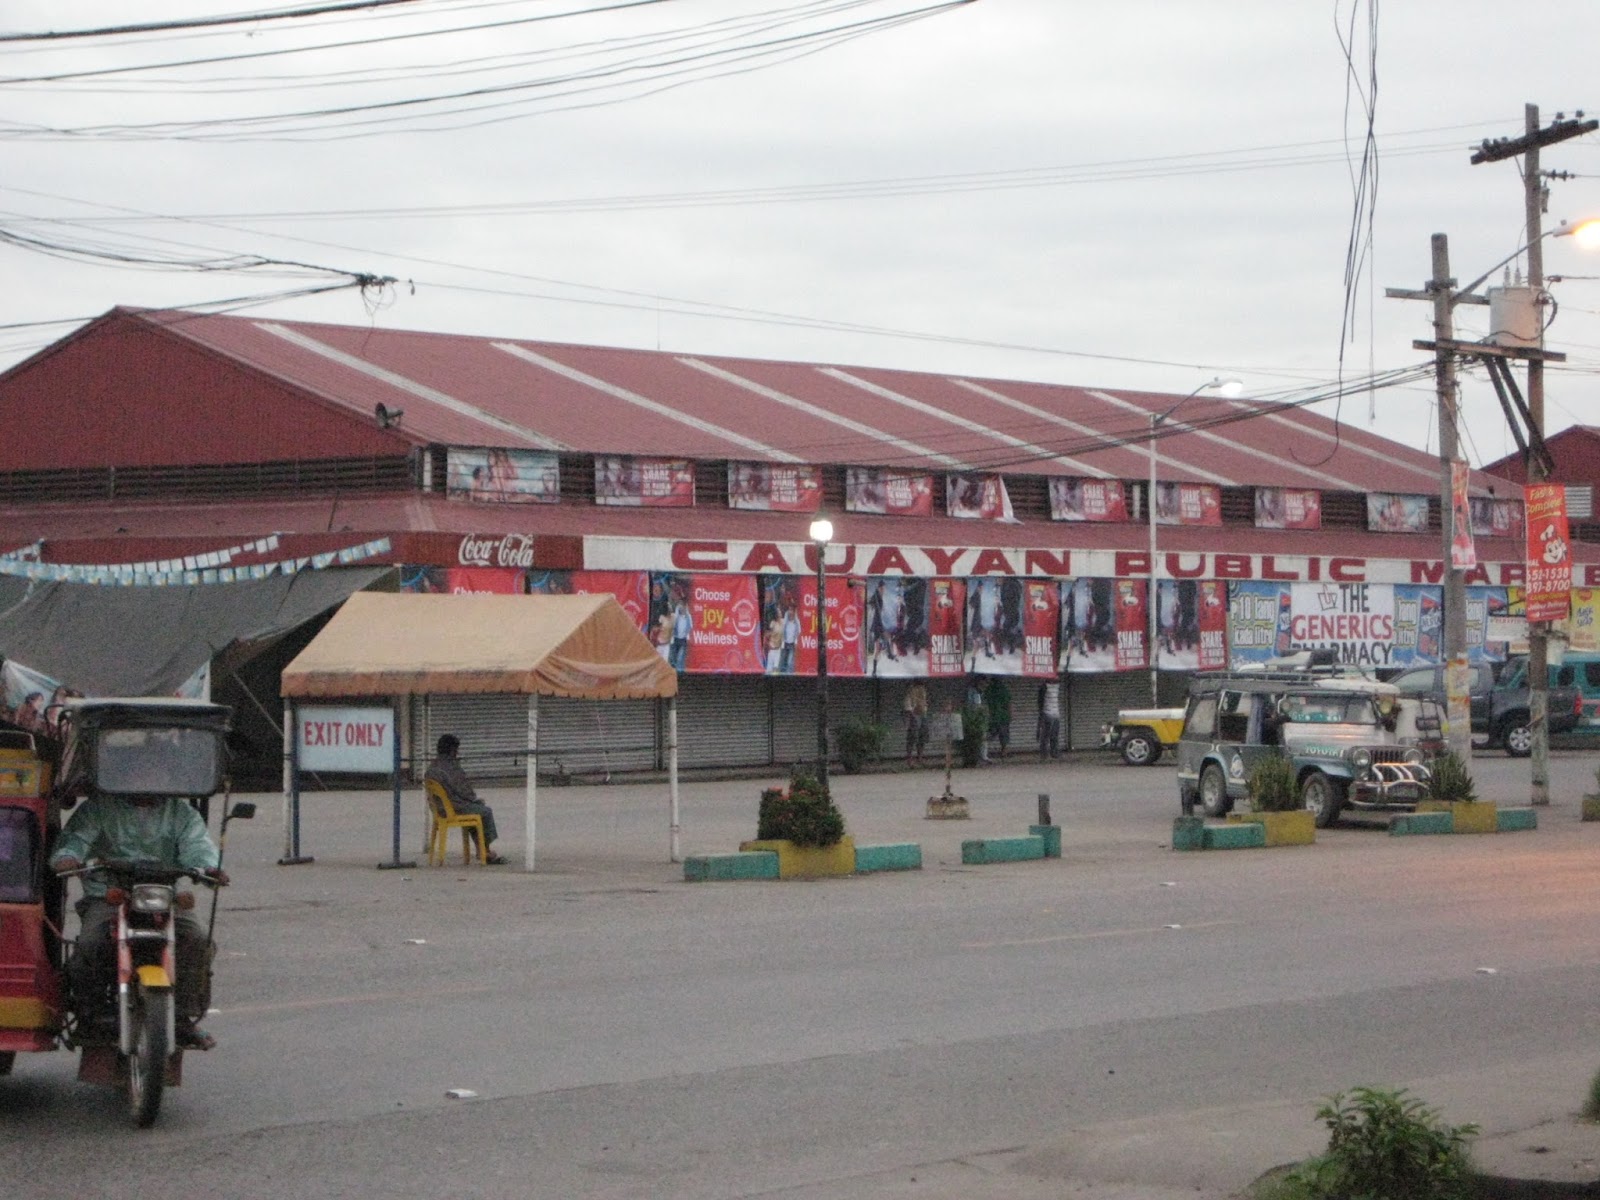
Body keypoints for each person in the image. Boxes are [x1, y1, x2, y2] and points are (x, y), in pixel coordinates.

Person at [50, 792, 227, 1049]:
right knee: (90, 942)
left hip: (163, 894)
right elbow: (75, 839)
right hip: (109, 894)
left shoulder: (181, 813)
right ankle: (91, 1015)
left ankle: (182, 1017)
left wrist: (209, 868)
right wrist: (68, 858)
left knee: (197, 939)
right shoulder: (98, 809)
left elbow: (197, 846)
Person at [424, 734, 506, 865]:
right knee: (484, 811)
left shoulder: (432, 767)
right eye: (456, 749)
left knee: (475, 811)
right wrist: (476, 800)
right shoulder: (451, 767)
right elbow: (464, 791)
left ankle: (482, 849)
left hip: (440, 810)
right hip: (454, 808)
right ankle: (484, 850)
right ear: (452, 750)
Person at [985, 676, 1012, 759]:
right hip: (1003, 716)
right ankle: (1004, 752)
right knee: (1004, 735)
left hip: (992, 716)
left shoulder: (989, 689)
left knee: (990, 734)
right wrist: (1010, 714)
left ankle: (983, 750)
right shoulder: (1004, 689)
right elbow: (1008, 703)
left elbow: (985, 701)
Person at [903, 680, 929, 764]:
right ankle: (909, 757)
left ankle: (920, 757)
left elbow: (924, 702)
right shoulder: (911, 691)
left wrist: (924, 710)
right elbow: (908, 705)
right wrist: (911, 714)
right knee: (912, 736)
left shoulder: (923, 690)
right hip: (914, 714)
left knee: (922, 736)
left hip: (922, 714)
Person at [1037, 678, 1061, 759]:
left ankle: (1054, 753)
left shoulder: (1057, 685)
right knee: (1045, 735)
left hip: (1056, 713)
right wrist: (1041, 713)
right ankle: (1044, 754)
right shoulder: (1044, 687)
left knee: (1054, 735)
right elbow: (1040, 701)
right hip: (1047, 713)